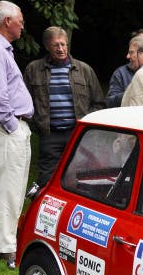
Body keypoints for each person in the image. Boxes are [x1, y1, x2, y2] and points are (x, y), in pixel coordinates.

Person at [23, 26, 105, 186]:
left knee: (78, 176)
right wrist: (37, 124)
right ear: (47, 46)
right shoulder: (34, 69)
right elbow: (25, 102)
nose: (61, 49)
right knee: (47, 179)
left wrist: (86, 125)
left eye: (63, 44)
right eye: (56, 45)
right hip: (49, 135)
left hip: (77, 133)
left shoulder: (84, 70)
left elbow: (99, 103)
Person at [0, 0, 34, 269]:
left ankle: (9, 242)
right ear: (7, 21)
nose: (22, 25)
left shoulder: (1, 48)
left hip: (13, 125)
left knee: (15, 187)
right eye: (20, 20)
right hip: (7, 125)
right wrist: (12, 125)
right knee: (8, 187)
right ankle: (3, 247)